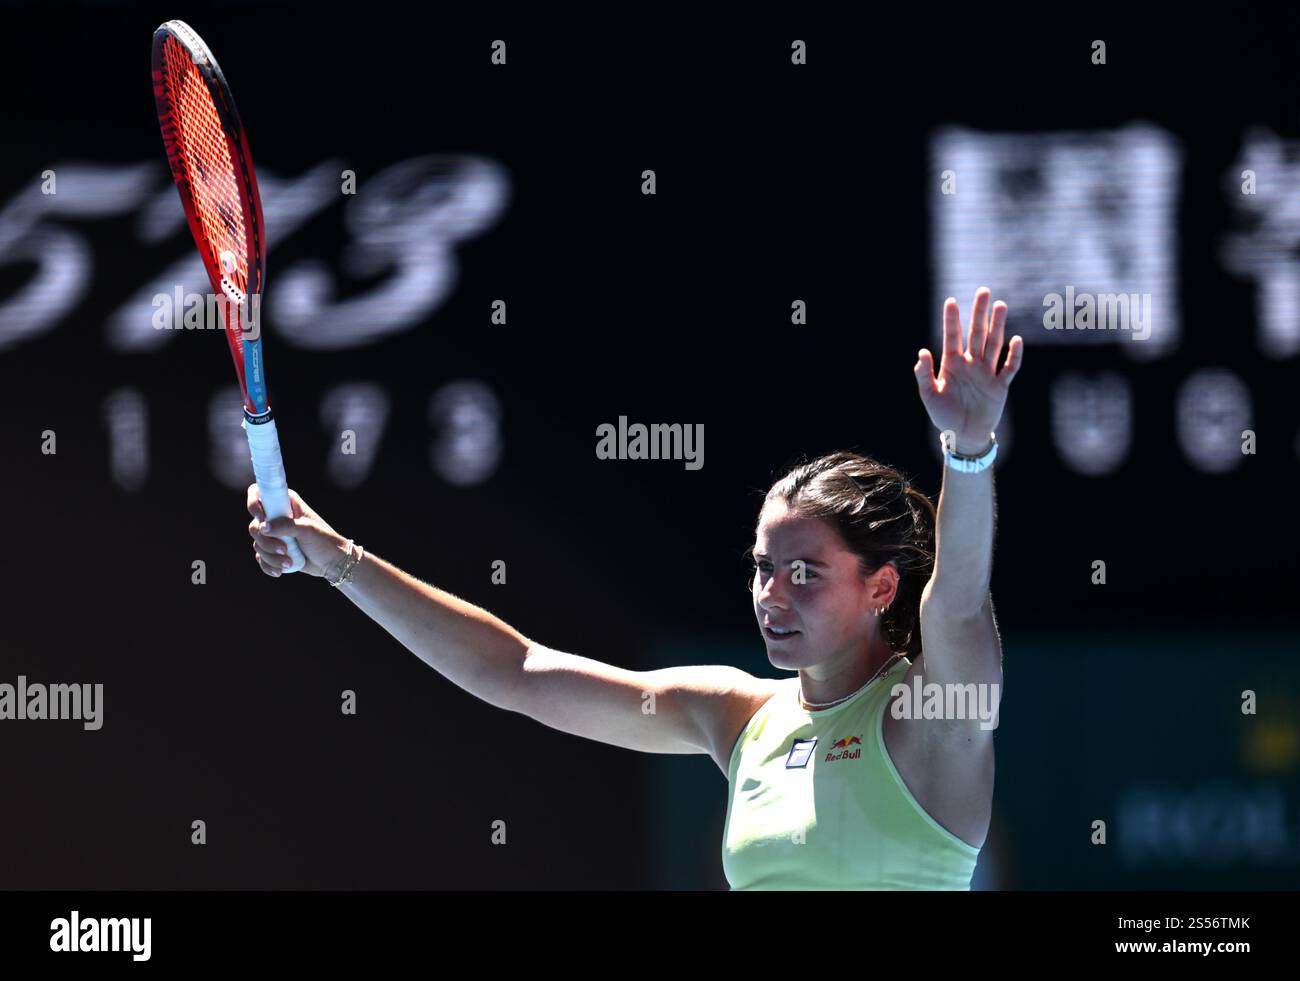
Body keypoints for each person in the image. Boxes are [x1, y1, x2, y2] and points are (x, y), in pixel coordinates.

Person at [246, 287, 1023, 890]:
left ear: (882, 583)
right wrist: (339, 559)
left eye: (805, 572)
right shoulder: (739, 716)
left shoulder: (933, 716)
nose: (771, 594)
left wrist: (970, 449)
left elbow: (955, 597)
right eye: (761, 566)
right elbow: (514, 671)